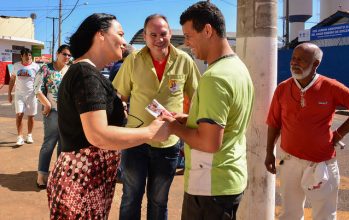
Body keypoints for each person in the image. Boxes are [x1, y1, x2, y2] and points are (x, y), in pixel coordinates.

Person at [46, 13, 169, 219]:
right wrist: (150, 132)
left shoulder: (86, 72)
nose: (124, 41)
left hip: (88, 181)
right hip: (83, 182)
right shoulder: (86, 74)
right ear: (100, 34)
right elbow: (98, 135)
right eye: (120, 34)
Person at [163, 2, 255, 219]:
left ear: (207, 30)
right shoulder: (238, 69)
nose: (186, 43)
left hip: (209, 186)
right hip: (228, 180)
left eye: (189, 36)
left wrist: (174, 127)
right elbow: (227, 121)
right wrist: (190, 119)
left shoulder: (214, 78)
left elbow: (209, 142)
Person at [113, 14, 200, 220]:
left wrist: (187, 116)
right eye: (153, 34)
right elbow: (119, 96)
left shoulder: (184, 61)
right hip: (136, 141)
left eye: (163, 34)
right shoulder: (133, 60)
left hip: (168, 144)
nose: (159, 39)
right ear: (144, 36)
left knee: (159, 200)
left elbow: (198, 98)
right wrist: (120, 111)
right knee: (131, 197)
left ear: (170, 33)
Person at [265, 42, 349, 220]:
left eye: (302, 60)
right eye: (293, 58)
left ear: (316, 63)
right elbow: (274, 122)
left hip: (322, 163)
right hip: (290, 162)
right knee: (289, 214)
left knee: (324, 215)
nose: (295, 63)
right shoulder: (283, 88)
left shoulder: (330, 87)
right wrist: (269, 153)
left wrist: (339, 134)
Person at [33, 44, 71, 189]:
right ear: (57, 53)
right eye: (64, 54)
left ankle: (59, 175)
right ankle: (42, 176)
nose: (67, 57)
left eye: (69, 55)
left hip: (68, 114)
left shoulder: (70, 69)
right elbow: (37, 89)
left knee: (64, 145)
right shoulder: (46, 69)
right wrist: (47, 104)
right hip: (53, 112)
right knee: (49, 144)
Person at [8, 48, 40, 146]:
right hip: (19, 94)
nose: (28, 57)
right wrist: (9, 93)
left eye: (30, 55)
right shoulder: (16, 66)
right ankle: (20, 137)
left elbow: (39, 81)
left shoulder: (36, 66)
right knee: (19, 115)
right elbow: (12, 80)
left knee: (31, 116)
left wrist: (39, 94)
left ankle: (29, 135)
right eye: (26, 55)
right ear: (21, 56)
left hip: (32, 94)